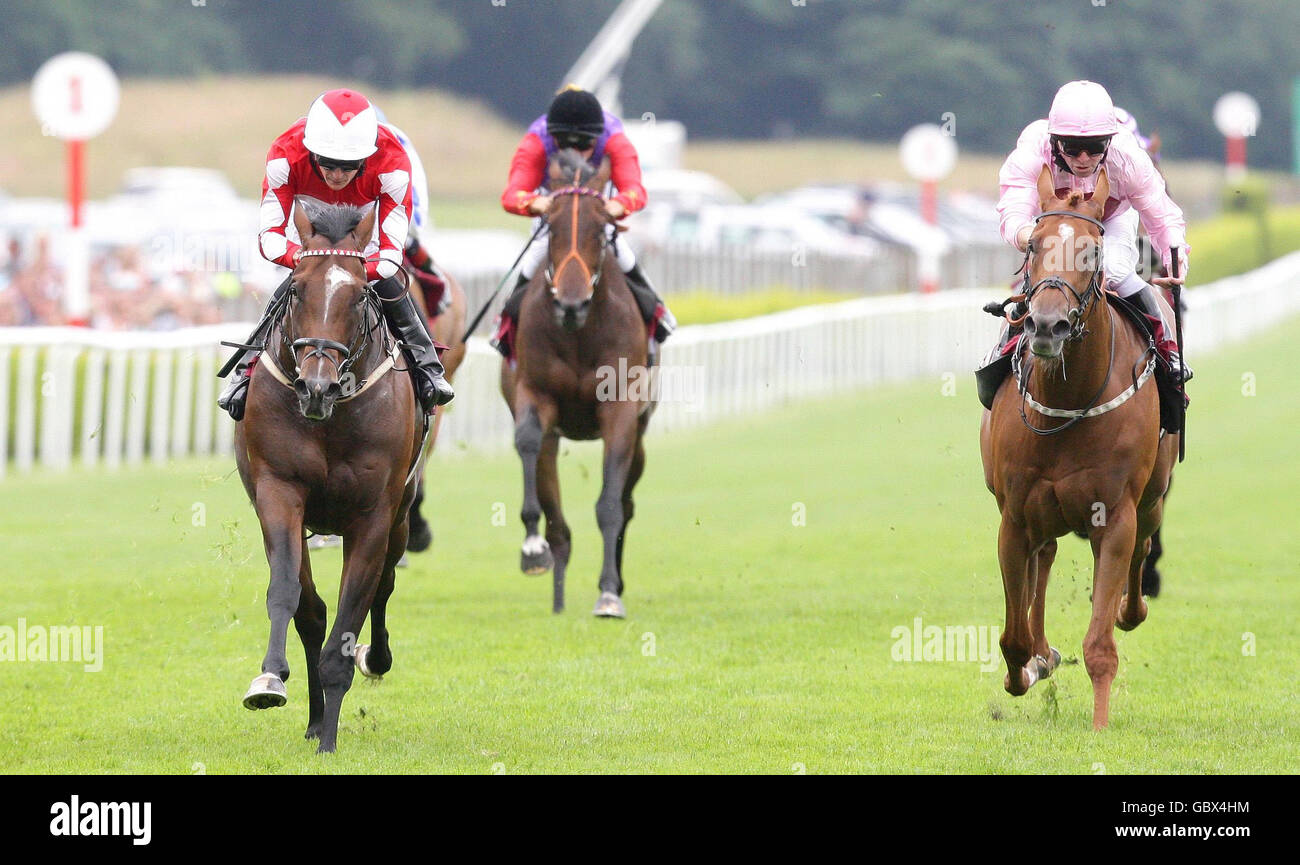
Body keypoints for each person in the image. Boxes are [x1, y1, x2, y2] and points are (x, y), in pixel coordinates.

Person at [218, 89, 453, 420]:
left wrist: (350, 273)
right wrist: (309, 265)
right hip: (312, 215)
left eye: (348, 166)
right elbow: (270, 239)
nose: (337, 175)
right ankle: (246, 370)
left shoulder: (393, 162)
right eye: (328, 164)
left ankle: (428, 367)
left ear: (366, 158)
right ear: (312, 152)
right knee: (301, 285)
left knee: (390, 284)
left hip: (365, 215)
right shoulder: (286, 153)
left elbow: (389, 255)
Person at [980, 80, 1190, 396]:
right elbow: (1013, 212)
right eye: (1071, 146)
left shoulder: (1128, 159)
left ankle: (1167, 352)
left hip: (1111, 221)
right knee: (1043, 276)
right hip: (1052, 223)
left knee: (1117, 270)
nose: (1082, 158)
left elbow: (1162, 217)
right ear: (1054, 141)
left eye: (1094, 147)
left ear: (1109, 141)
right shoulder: (1031, 153)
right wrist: (1033, 239)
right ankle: (1003, 351)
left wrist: (1175, 260)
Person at [491, 85, 675, 361]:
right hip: (555, 215)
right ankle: (506, 323)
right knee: (533, 260)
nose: (576, 151)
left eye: (584, 145)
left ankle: (656, 314)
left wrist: (618, 205)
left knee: (624, 256)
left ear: (597, 137)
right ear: (553, 137)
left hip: (596, 217)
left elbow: (635, 189)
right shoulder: (537, 140)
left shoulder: (614, 138)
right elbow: (511, 194)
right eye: (565, 145)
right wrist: (534, 203)